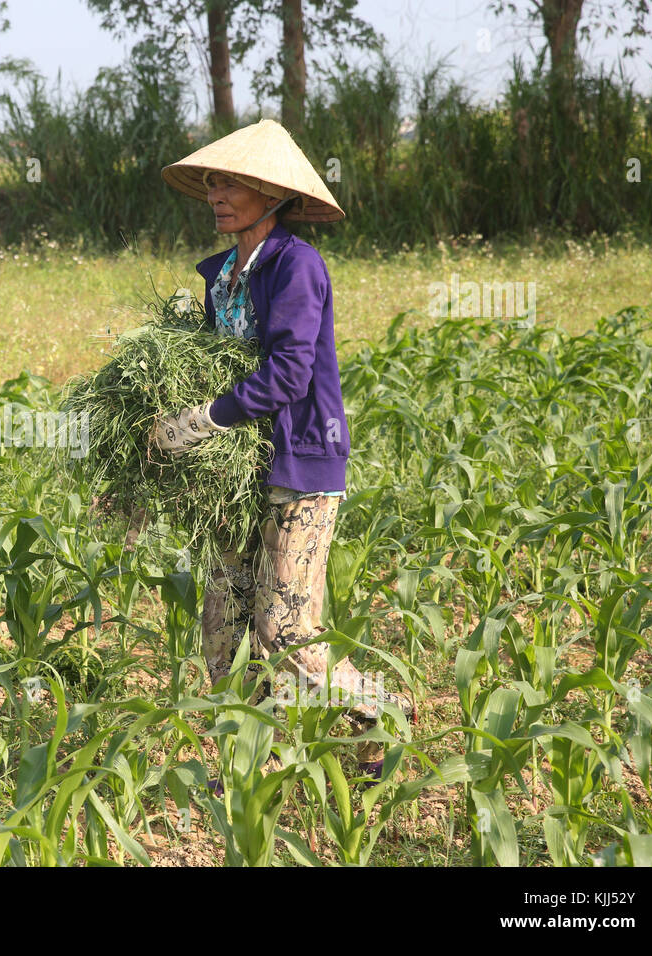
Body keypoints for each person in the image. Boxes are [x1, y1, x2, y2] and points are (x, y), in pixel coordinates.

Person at [148, 119, 415, 787]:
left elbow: (290, 373)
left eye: (229, 180)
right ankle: (251, 761)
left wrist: (205, 418)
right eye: (210, 181)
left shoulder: (297, 265)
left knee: (286, 631)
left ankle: (383, 714)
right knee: (224, 629)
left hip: (301, 463)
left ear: (269, 192)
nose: (214, 192)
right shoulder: (221, 277)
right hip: (235, 472)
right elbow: (215, 363)